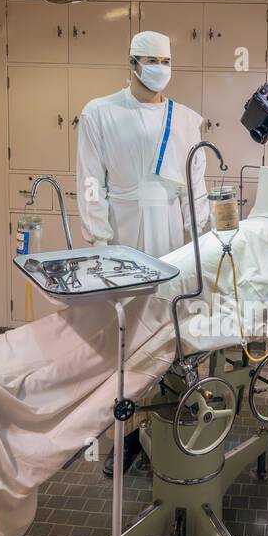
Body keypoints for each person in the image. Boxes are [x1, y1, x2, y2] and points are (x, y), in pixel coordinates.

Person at [75, 30, 208, 475]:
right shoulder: (100, 113)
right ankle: (126, 437)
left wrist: (201, 244)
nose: (159, 68)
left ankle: (174, 423)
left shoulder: (187, 119)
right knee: (127, 339)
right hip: (124, 237)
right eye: (150, 59)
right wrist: (98, 243)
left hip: (174, 236)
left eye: (165, 61)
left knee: (173, 330)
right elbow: (90, 182)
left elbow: (196, 190)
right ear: (131, 62)